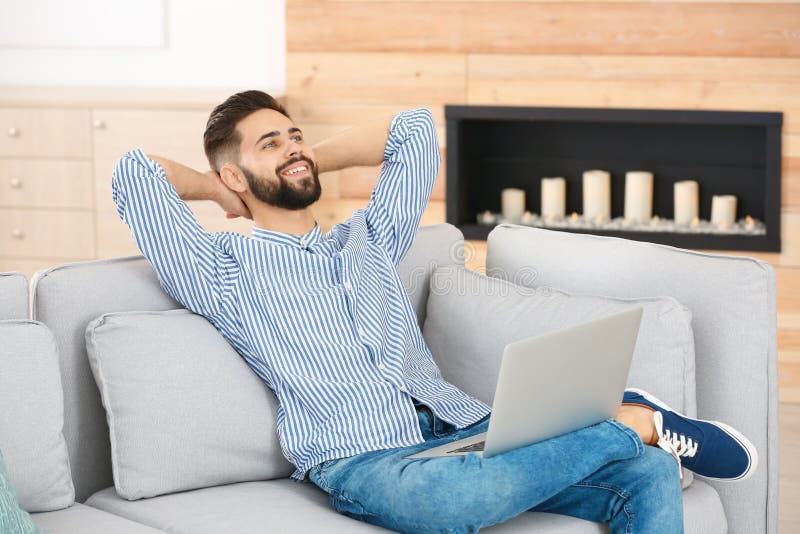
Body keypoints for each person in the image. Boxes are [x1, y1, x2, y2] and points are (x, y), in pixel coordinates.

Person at [112, 90, 757, 534]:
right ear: (234, 175)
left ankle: (626, 426)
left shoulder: (368, 240)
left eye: (295, 136)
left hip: (463, 428)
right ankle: (626, 419)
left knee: (647, 476)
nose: (292, 148)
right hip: (368, 462)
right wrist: (229, 192)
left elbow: (416, 130)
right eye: (269, 144)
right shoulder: (223, 271)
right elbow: (134, 174)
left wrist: (305, 159)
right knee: (456, 502)